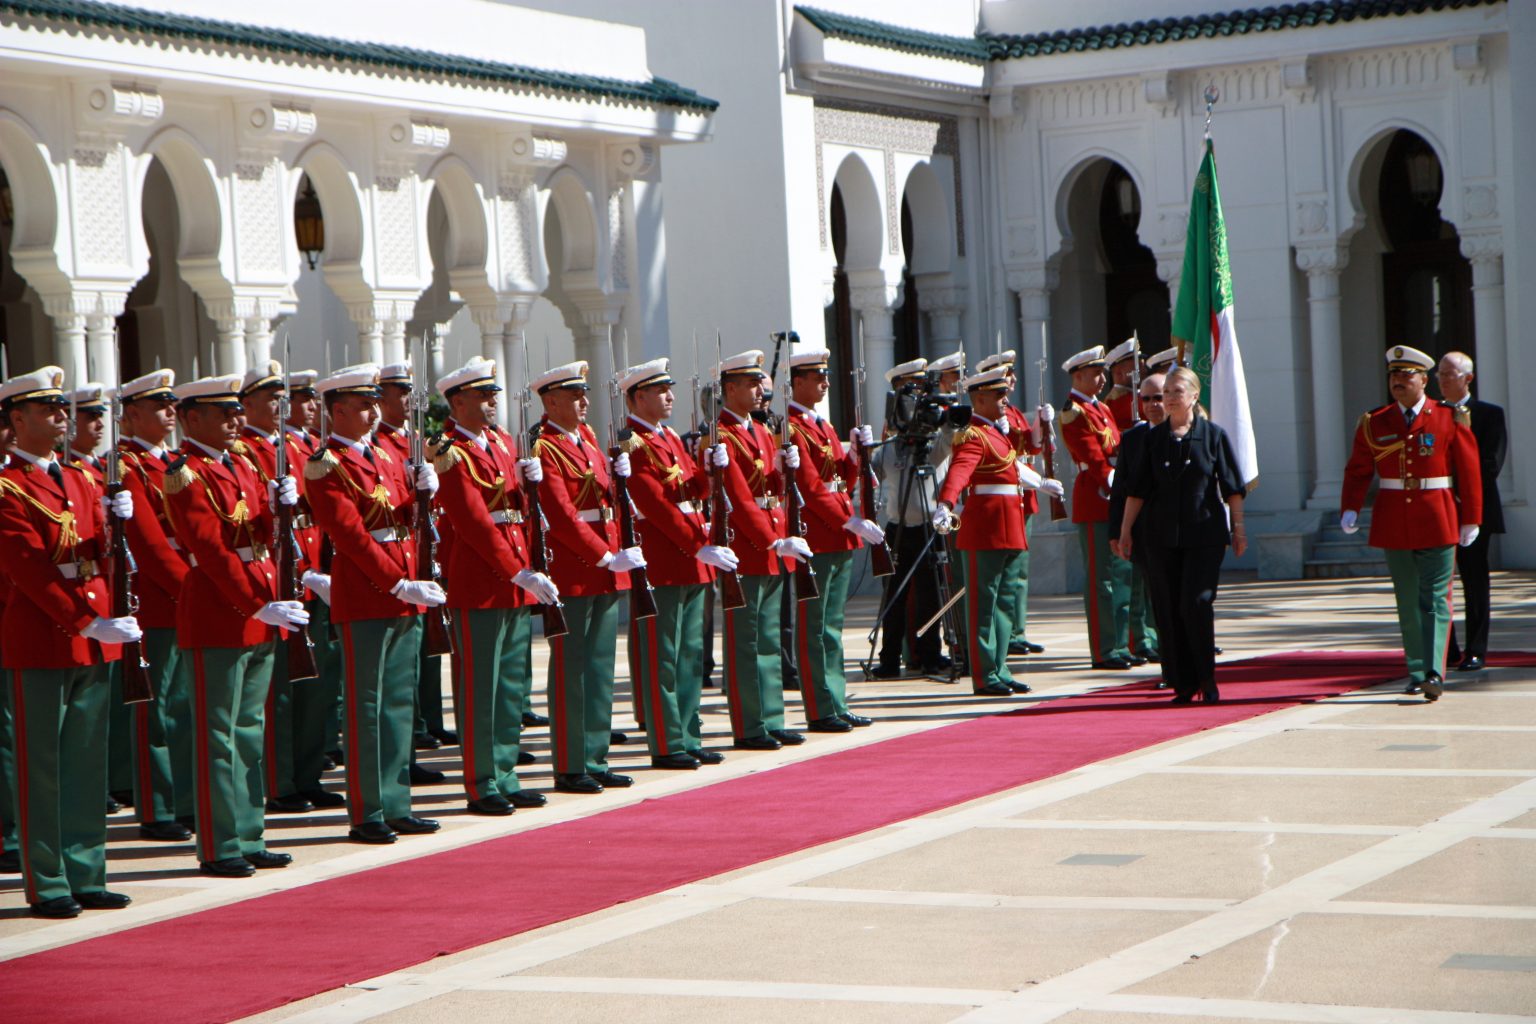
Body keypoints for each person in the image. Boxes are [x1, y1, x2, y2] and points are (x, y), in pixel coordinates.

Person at [0, 366, 142, 917]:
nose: (63, 417)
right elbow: (30, 571)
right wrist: (85, 621)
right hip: (43, 638)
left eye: (63, 408)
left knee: (86, 762)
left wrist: (113, 529)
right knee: (43, 766)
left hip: (93, 637)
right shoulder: (8, 487)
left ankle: (86, 871)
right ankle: (49, 880)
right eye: (48, 409)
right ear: (17, 419)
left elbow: (97, 556)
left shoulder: (82, 478)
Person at [161, 373, 307, 877]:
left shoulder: (242, 463)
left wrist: (281, 504)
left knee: (249, 731)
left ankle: (249, 832)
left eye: (235, 412)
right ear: (190, 418)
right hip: (221, 611)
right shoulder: (186, 474)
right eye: (223, 413)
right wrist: (255, 602)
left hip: (259, 606)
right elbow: (210, 549)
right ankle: (221, 844)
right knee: (218, 735)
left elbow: (259, 535)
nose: (235, 420)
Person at [304, 363, 445, 842]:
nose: (372, 411)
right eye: (362, 405)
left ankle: (396, 800)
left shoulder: (384, 455)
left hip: (404, 587)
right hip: (368, 593)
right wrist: (397, 583)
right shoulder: (327, 464)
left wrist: (426, 492)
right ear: (338, 410)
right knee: (367, 705)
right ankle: (366, 811)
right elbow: (351, 536)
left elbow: (402, 516)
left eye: (373, 403)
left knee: (398, 703)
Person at [431, 357, 557, 813]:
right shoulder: (448, 451)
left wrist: (528, 485)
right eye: (482, 397)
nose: (491, 403)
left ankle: (505, 772)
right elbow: (473, 522)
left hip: (512, 575)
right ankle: (481, 782)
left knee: (508, 685)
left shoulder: (502, 442)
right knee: (480, 686)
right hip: (480, 577)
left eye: (493, 396)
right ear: (457, 402)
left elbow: (513, 509)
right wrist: (516, 569)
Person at [1341, 346, 1481, 701]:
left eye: (1406, 376)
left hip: (1437, 514)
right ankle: (1416, 670)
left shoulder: (1449, 417)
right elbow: (1358, 469)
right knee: (1407, 598)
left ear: (1423, 380)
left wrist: (1472, 518)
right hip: (1393, 517)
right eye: (1394, 376)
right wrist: (1350, 507)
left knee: (1436, 598)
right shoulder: (1375, 421)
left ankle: (1435, 671)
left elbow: (1468, 471)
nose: (1398, 382)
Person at [532, 360, 644, 793]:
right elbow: (561, 516)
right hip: (577, 568)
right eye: (574, 395)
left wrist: (620, 481)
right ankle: (571, 763)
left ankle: (595, 757)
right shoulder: (546, 448)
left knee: (598, 669)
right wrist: (603, 556)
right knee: (572, 670)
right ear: (551, 400)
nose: (584, 402)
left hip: (604, 566)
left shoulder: (589, 440)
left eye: (585, 394)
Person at [236, 362, 342, 816]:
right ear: (248, 407)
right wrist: (300, 572)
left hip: (317, 573)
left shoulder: (301, 445)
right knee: (281, 689)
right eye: (271, 398)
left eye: (284, 397)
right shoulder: (245, 452)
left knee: (315, 685)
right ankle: (280, 783)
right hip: (284, 578)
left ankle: (308, 772)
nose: (281, 404)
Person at [619, 357, 736, 767]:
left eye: (670, 389)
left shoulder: (667, 437)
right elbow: (655, 506)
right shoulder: (634, 444)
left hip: (691, 556)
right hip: (667, 558)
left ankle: (688, 733)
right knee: (663, 656)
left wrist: (709, 466)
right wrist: (696, 544)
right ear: (638, 397)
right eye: (660, 390)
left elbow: (693, 492)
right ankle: (667, 741)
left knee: (689, 654)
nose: (670, 396)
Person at [1117, 367, 1247, 703]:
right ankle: (1182, 683)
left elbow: (1232, 487)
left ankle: (1206, 678)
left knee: (1197, 603)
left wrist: (1239, 529)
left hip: (1204, 534)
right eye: (1167, 393)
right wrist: (1126, 530)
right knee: (1168, 607)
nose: (1170, 398)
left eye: (1177, 392)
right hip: (1160, 538)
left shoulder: (1214, 436)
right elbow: (1138, 490)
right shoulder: (1153, 440)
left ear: (1193, 396)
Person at [932, 365, 1062, 695]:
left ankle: (1000, 667)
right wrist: (946, 504)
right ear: (980, 399)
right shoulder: (973, 435)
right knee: (982, 602)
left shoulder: (997, 433)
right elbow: (959, 473)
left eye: (1005, 393)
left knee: (1004, 601)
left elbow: (1014, 468)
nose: (1006, 399)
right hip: (985, 527)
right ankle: (984, 674)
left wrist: (1043, 483)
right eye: (999, 395)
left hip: (1010, 524)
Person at [114, 369, 196, 840]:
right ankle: (158, 807)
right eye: (158, 406)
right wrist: (196, 589)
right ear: (132, 415)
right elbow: (149, 544)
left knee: (185, 705)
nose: (169, 413)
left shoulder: (175, 460)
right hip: (160, 598)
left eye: (171, 405)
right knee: (158, 705)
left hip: (192, 590)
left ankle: (185, 797)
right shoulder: (127, 466)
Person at [714, 350, 811, 748]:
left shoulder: (758, 430)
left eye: (760, 383)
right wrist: (772, 539)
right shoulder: (720, 436)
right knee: (748, 641)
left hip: (773, 542)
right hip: (751, 546)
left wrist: (785, 466)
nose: (760, 390)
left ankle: (771, 717)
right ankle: (750, 725)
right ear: (730, 389)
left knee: (770, 638)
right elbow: (737, 497)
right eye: (751, 384)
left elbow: (770, 490)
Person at [785, 348, 882, 732]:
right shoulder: (792, 427)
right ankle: (820, 706)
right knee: (816, 625)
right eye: (817, 377)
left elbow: (844, 477)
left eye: (825, 376)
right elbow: (810, 487)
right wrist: (849, 521)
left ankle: (836, 700)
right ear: (798, 383)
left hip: (839, 531)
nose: (825, 383)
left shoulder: (821, 426)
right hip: (820, 532)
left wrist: (857, 452)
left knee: (832, 625)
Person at [377, 360, 458, 750]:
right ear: (382, 398)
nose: (410, 399)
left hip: (427, 545)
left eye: (412, 391)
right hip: (404, 551)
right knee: (406, 657)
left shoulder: (419, 438)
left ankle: (429, 719)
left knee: (429, 643)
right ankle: (415, 729)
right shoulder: (381, 442)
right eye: (401, 392)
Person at [869, 358, 952, 678]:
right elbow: (871, 476)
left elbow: (950, 438)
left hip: (930, 527)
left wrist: (944, 418)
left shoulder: (934, 445)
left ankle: (931, 654)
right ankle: (890, 657)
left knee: (932, 595)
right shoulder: (890, 448)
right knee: (895, 596)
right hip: (897, 528)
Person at [1059, 346, 1135, 669]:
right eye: (1095, 373)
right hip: (1096, 497)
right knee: (1101, 579)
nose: (1102, 378)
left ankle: (1119, 643)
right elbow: (1093, 457)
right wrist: (1121, 486)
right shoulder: (1074, 411)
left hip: (1113, 494)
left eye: (1102, 372)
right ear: (1078, 376)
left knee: (1120, 575)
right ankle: (1104, 650)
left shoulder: (1100, 408)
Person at [972, 350, 1050, 659]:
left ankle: (1017, 630)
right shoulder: (989, 420)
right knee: (1002, 575)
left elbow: (1030, 446)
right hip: (1002, 492)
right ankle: (1009, 634)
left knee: (1018, 572)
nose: (1013, 379)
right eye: (1006, 375)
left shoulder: (1014, 412)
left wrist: (1041, 425)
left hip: (1020, 492)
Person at [1437, 351, 1505, 672]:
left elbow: (1491, 464)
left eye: (1449, 374)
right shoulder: (1432, 413)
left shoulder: (1489, 415)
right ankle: (1447, 649)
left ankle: (1476, 649)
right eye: (1440, 374)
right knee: (1439, 583)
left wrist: (1464, 495)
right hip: (1437, 508)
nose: (1442, 379)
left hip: (1475, 510)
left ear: (1468, 378)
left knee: (1475, 581)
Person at [1109, 372, 1171, 686]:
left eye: (1158, 397)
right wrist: (1116, 532)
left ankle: (1193, 663)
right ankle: (1172, 669)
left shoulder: (1188, 433)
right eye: (1145, 399)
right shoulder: (1133, 438)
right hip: (1147, 535)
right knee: (1158, 602)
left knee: (1187, 602)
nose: (1151, 405)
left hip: (1182, 531)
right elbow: (1121, 489)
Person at [1100, 338, 1158, 665]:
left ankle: (1144, 634)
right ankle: (1135, 637)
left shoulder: (1130, 401)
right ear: (1121, 370)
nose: (1142, 370)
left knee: (1141, 578)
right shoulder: (1117, 403)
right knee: (1125, 577)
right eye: (1135, 365)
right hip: (1120, 487)